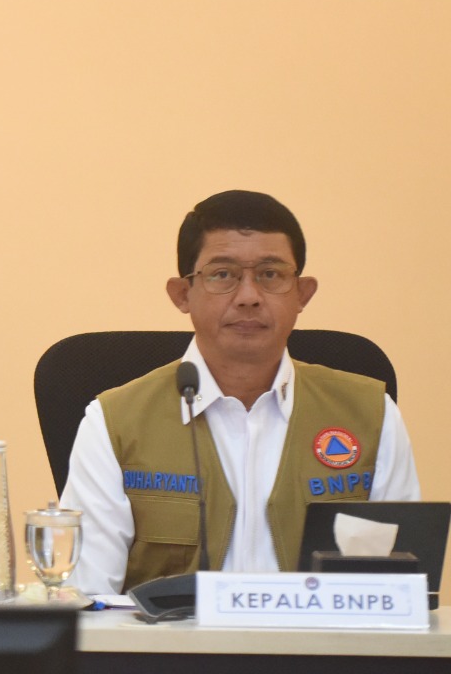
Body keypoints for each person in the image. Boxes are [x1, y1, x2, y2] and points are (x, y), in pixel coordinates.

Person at [60, 189, 418, 594]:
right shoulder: (114, 422)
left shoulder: (370, 414)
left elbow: (398, 599)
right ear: (182, 294)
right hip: (171, 655)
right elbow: (90, 604)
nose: (248, 297)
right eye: (222, 274)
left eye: (270, 274)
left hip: (318, 654)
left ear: (303, 294)